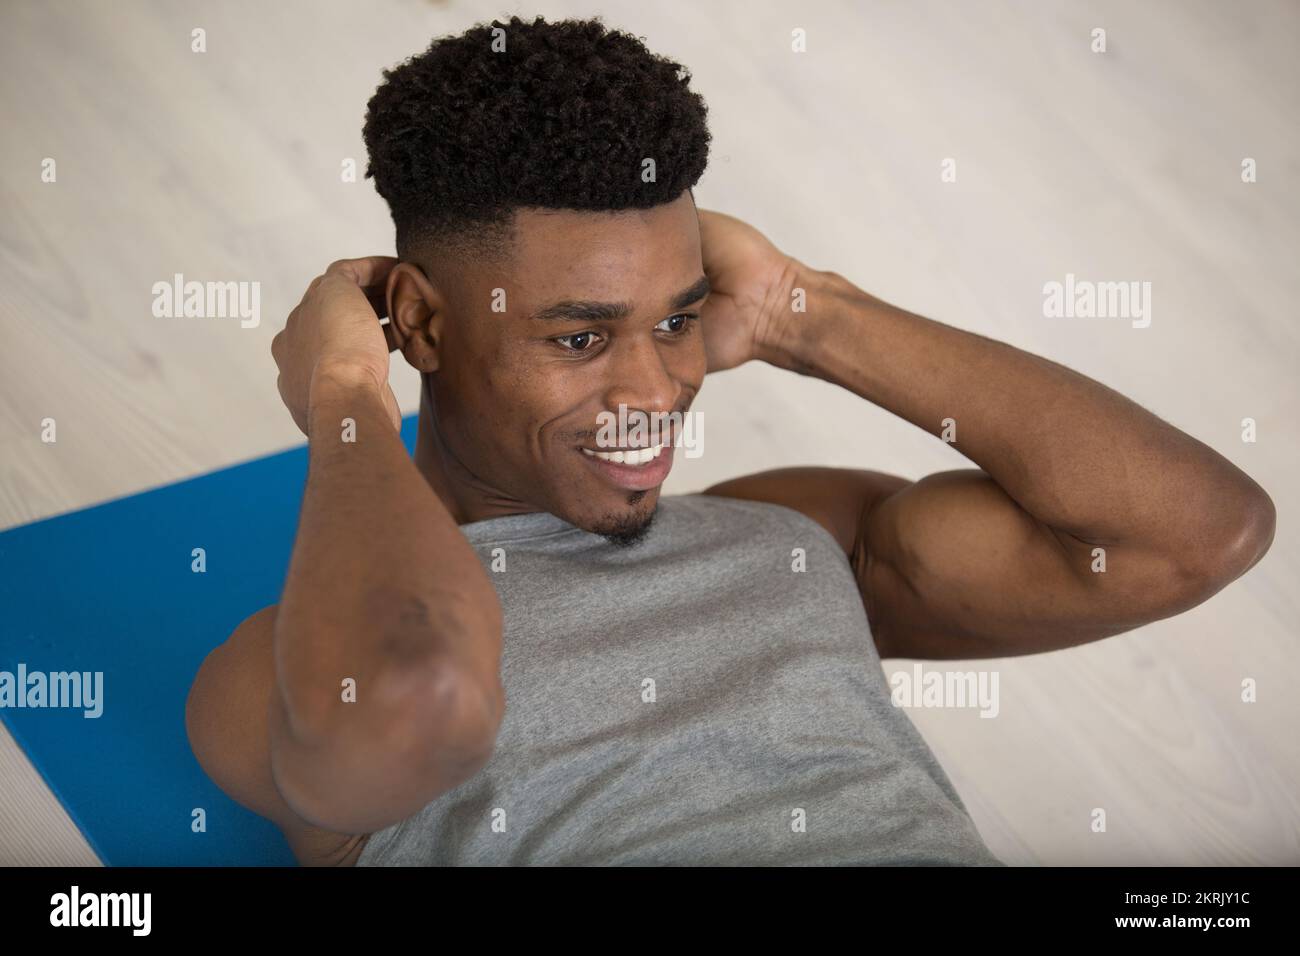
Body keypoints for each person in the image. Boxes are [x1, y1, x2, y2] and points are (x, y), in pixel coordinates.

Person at [185, 15, 1275, 866]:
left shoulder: (794, 535)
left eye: (677, 317)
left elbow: (1193, 533)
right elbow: (418, 691)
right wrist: (344, 392)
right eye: (579, 335)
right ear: (422, 323)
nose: (655, 386)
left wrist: (807, 310)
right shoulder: (286, 675)